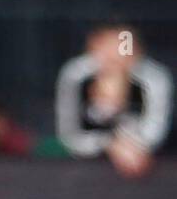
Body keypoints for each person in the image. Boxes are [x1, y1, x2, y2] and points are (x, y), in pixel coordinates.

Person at [55, 23, 172, 178]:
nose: (115, 55)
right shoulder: (77, 76)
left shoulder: (152, 79)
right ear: (93, 47)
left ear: (136, 50)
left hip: (149, 167)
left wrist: (134, 146)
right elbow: (70, 135)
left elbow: (155, 128)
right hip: (82, 172)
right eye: (108, 47)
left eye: (124, 46)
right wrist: (110, 145)